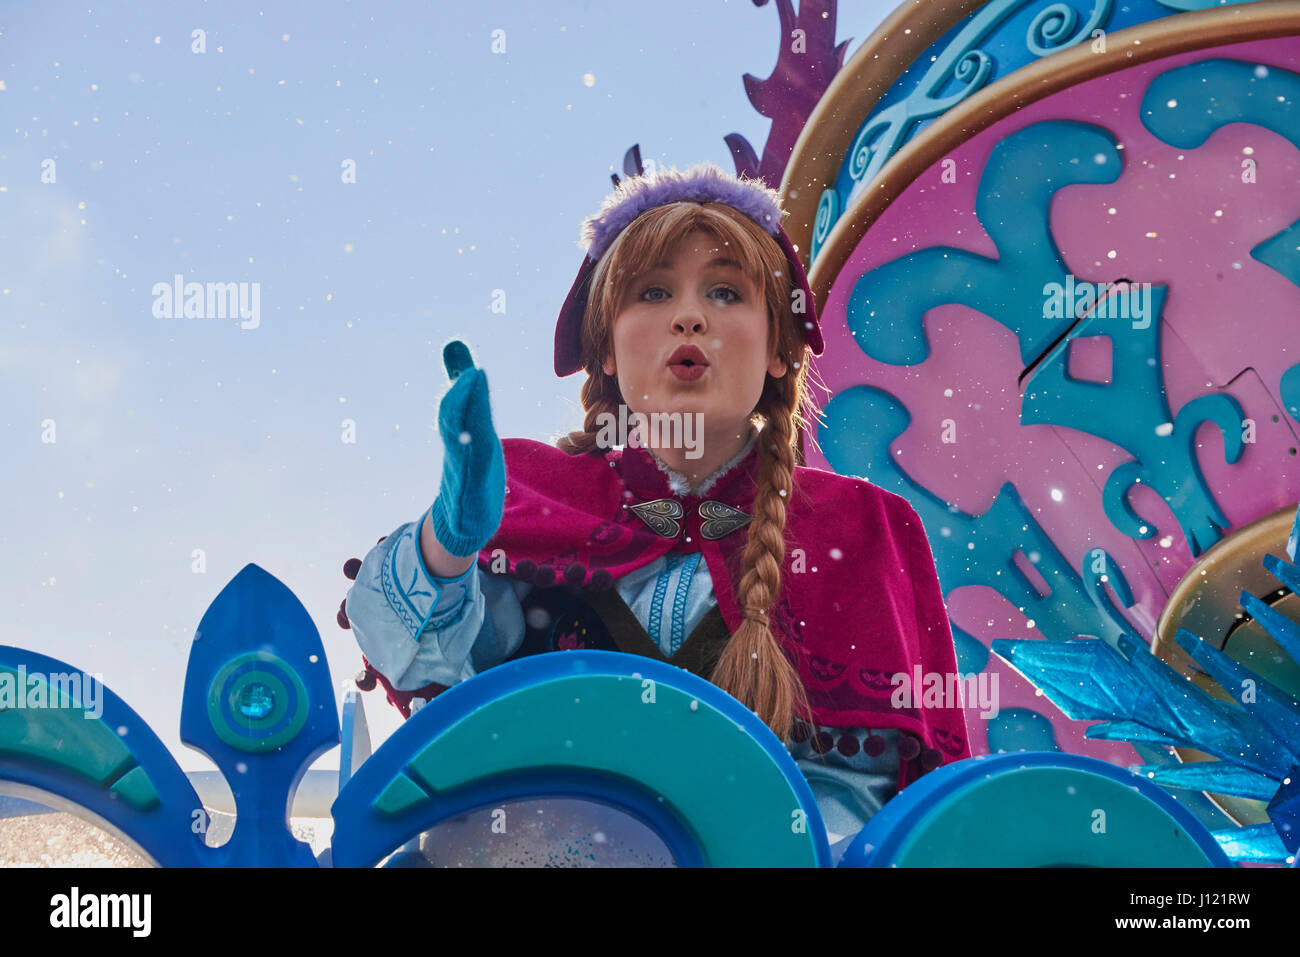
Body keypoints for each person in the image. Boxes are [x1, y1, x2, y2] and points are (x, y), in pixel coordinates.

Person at [338, 162, 971, 852]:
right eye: (653, 291)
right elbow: (427, 672)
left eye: (726, 291)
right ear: (605, 350)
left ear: (781, 351)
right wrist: (448, 544)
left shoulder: (864, 530)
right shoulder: (528, 496)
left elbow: (901, 812)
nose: (690, 315)